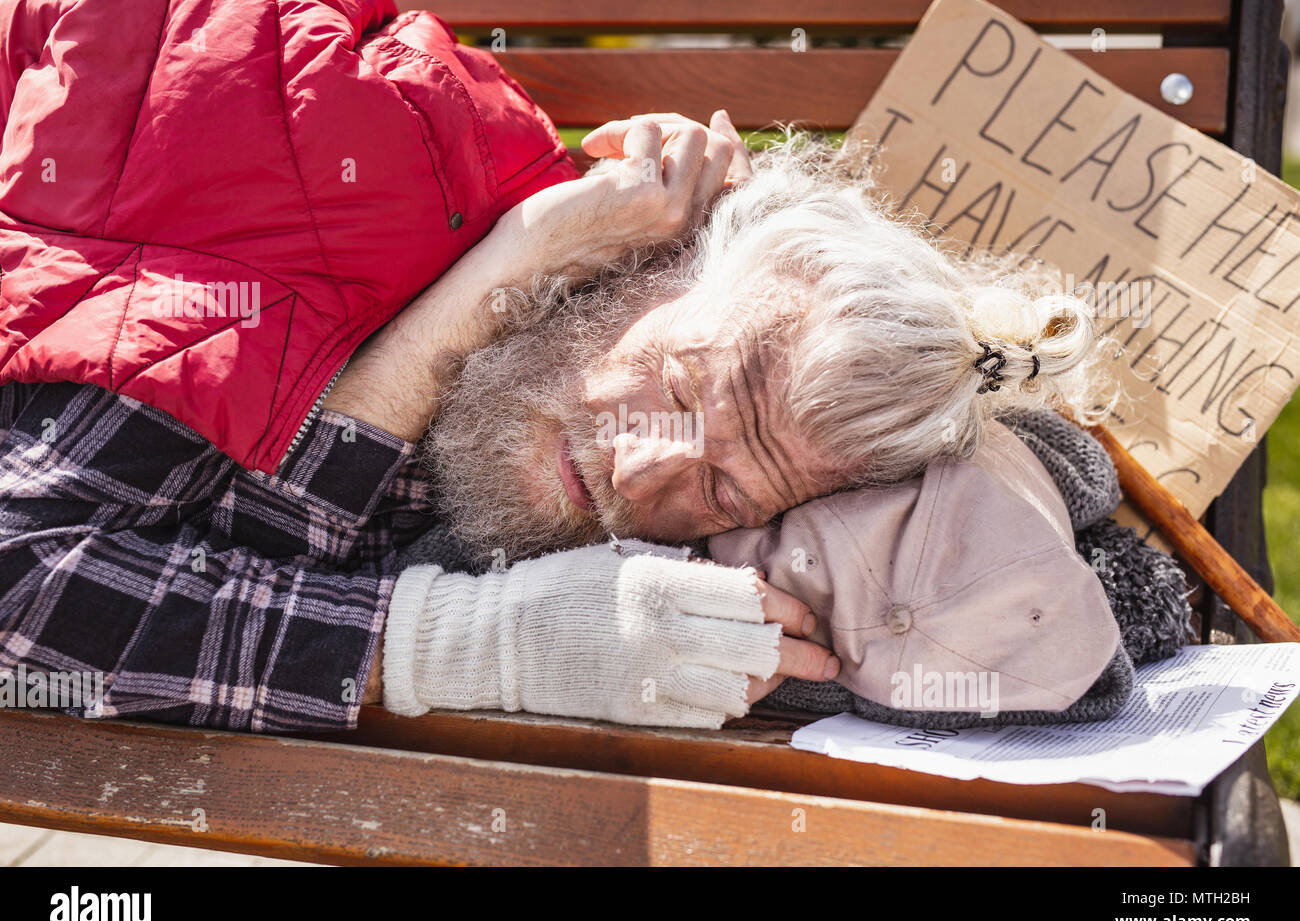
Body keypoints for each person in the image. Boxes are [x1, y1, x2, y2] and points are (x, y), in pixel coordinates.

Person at [0, 3, 1106, 734]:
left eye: (723, 492)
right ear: (650, 262)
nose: (643, 474)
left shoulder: (545, 375)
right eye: (678, 384)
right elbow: (18, 597)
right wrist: (477, 644)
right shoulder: (331, 191)